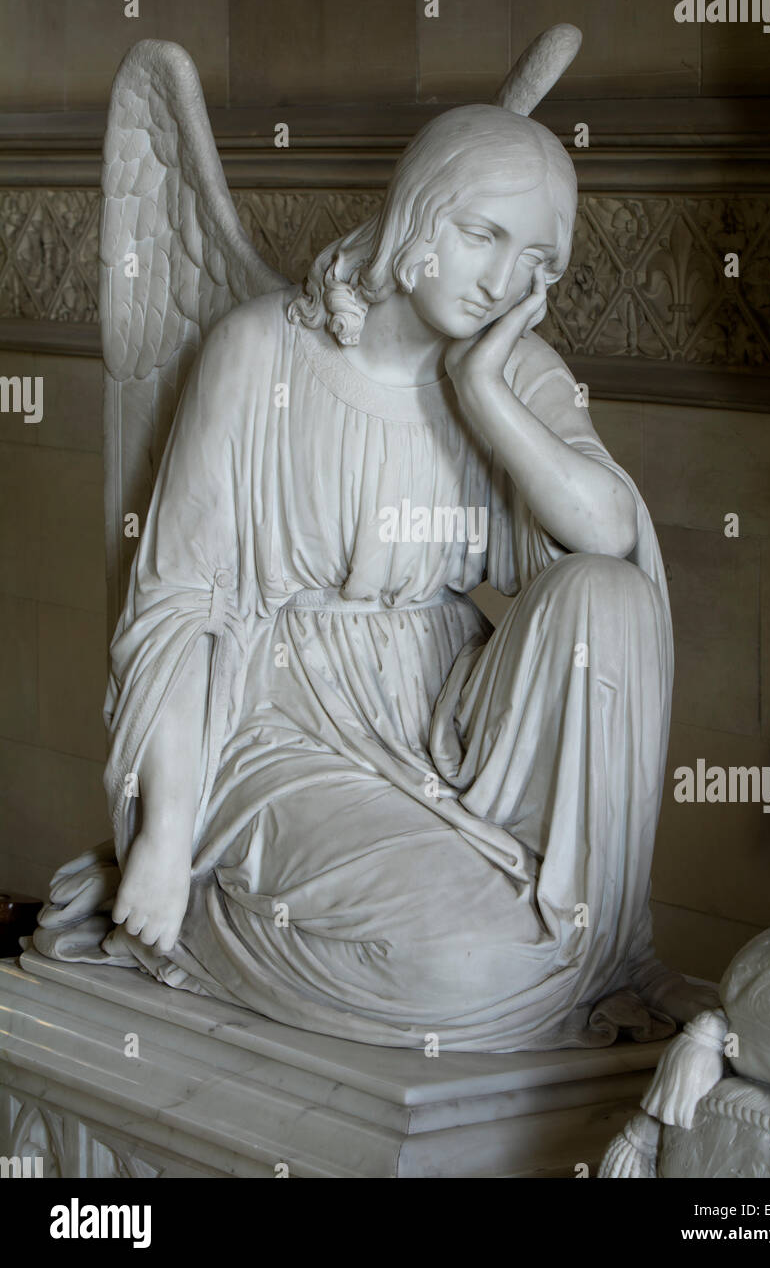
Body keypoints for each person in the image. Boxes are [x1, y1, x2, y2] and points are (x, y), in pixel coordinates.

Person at [36, 104, 716, 1051]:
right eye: (484, 235)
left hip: (445, 720)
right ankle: (199, 907)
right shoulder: (261, 350)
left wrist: (482, 392)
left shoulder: (513, 373)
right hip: (280, 726)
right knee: (465, 962)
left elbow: (609, 531)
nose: (503, 280)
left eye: (538, 262)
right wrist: (161, 834)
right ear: (415, 215)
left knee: (612, 595)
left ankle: (592, 946)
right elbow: (180, 607)